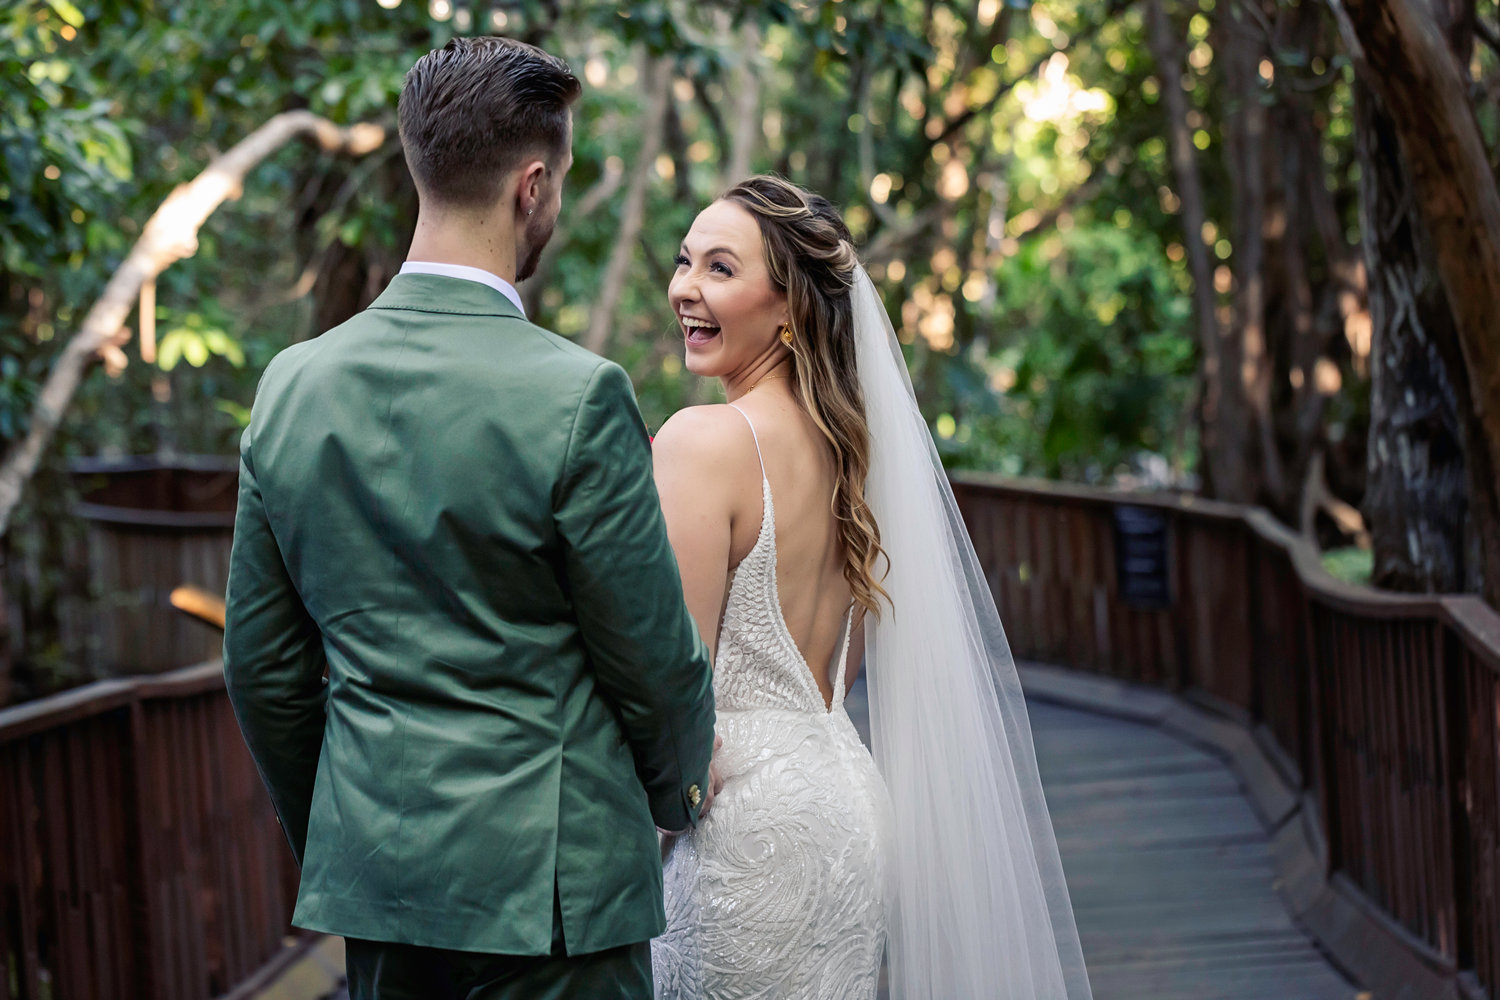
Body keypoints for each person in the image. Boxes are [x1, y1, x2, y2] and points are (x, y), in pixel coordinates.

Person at [222, 37, 718, 1000]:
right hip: (555, 904)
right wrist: (682, 795)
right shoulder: (578, 395)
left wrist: (350, 823)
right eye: (562, 184)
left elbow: (264, 668)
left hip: (382, 889)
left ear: (421, 163)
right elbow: (651, 659)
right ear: (532, 186)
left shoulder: (292, 386)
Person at [648, 176, 1094, 1000]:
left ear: (787, 308)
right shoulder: (855, 454)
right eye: (684, 263)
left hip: (746, 832)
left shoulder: (700, 443)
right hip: (845, 802)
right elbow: (834, 671)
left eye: (718, 268)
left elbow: (675, 696)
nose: (685, 288)